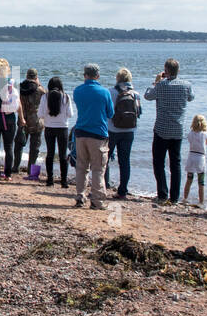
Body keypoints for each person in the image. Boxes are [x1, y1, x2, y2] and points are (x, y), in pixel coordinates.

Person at [143, 58, 194, 206]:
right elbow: (191, 97)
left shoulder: (161, 85)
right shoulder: (186, 85)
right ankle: (175, 197)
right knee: (175, 163)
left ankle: (162, 194)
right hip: (178, 129)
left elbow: (148, 96)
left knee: (158, 162)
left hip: (161, 129)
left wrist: (156, 82)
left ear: (166, 70)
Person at [71, 64, 114, 208]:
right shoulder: (104, 92)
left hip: (81, 132)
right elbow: (110, 113)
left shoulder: (77, 91)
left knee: (81, 166)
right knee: (98, 168)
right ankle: (97, 200)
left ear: (85, 75)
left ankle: (80, 196)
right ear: (98, 75)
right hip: (98, 134)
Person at [104, 68, 142, 199]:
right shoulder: (135, 94)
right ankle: (123, 190)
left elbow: (107, 111)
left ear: (117, 78)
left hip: (112, 129)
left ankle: (103, 186)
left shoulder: (111, 92)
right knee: (125, 161)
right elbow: (139, 112)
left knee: (105, 160)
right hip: (129, 131)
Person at [42, 77, 73, 187]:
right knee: (62, 155)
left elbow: (39, 114)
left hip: (49, 127)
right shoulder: (66, 97)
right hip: (62, 128)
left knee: (50, 153)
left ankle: (50, 180)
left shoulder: (45, 97)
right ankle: (63, 181)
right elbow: (70, 114)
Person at [17, 68, 46, 174]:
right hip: (36, 121)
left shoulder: (20, 88)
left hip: (22, 119)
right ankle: (31, 170)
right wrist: (39, 84)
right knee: (35, 147)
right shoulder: (40, 90)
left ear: (27, 76)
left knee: (19, 144)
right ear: (36, 77)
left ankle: (15, 167)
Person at [182, 115, 207, 206]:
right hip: (200, 158)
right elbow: (206, 143)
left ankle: (185, 198)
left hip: (191, 157)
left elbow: (190, 142)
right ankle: (201, 201)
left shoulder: (191, 133)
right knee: (201, 182)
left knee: (189, 179)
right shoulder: (205, 134)